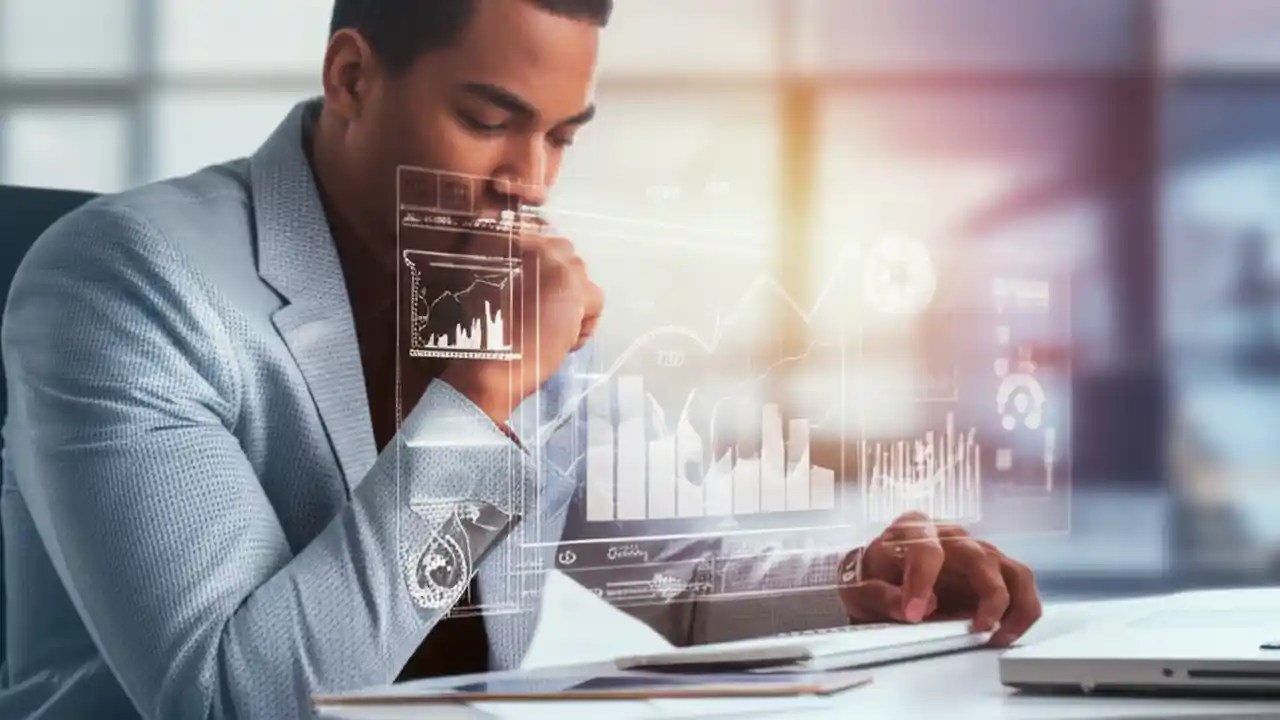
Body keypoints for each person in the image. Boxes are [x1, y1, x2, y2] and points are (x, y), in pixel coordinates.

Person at [0, 1, 1042, 718]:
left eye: (560, 137)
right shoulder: (128, 281)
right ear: (352, 77)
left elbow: (677, 576)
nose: (528, 182)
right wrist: (488, 392)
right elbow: (247, 701)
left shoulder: (478, 266)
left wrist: (862, 579)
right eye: (487, 121)